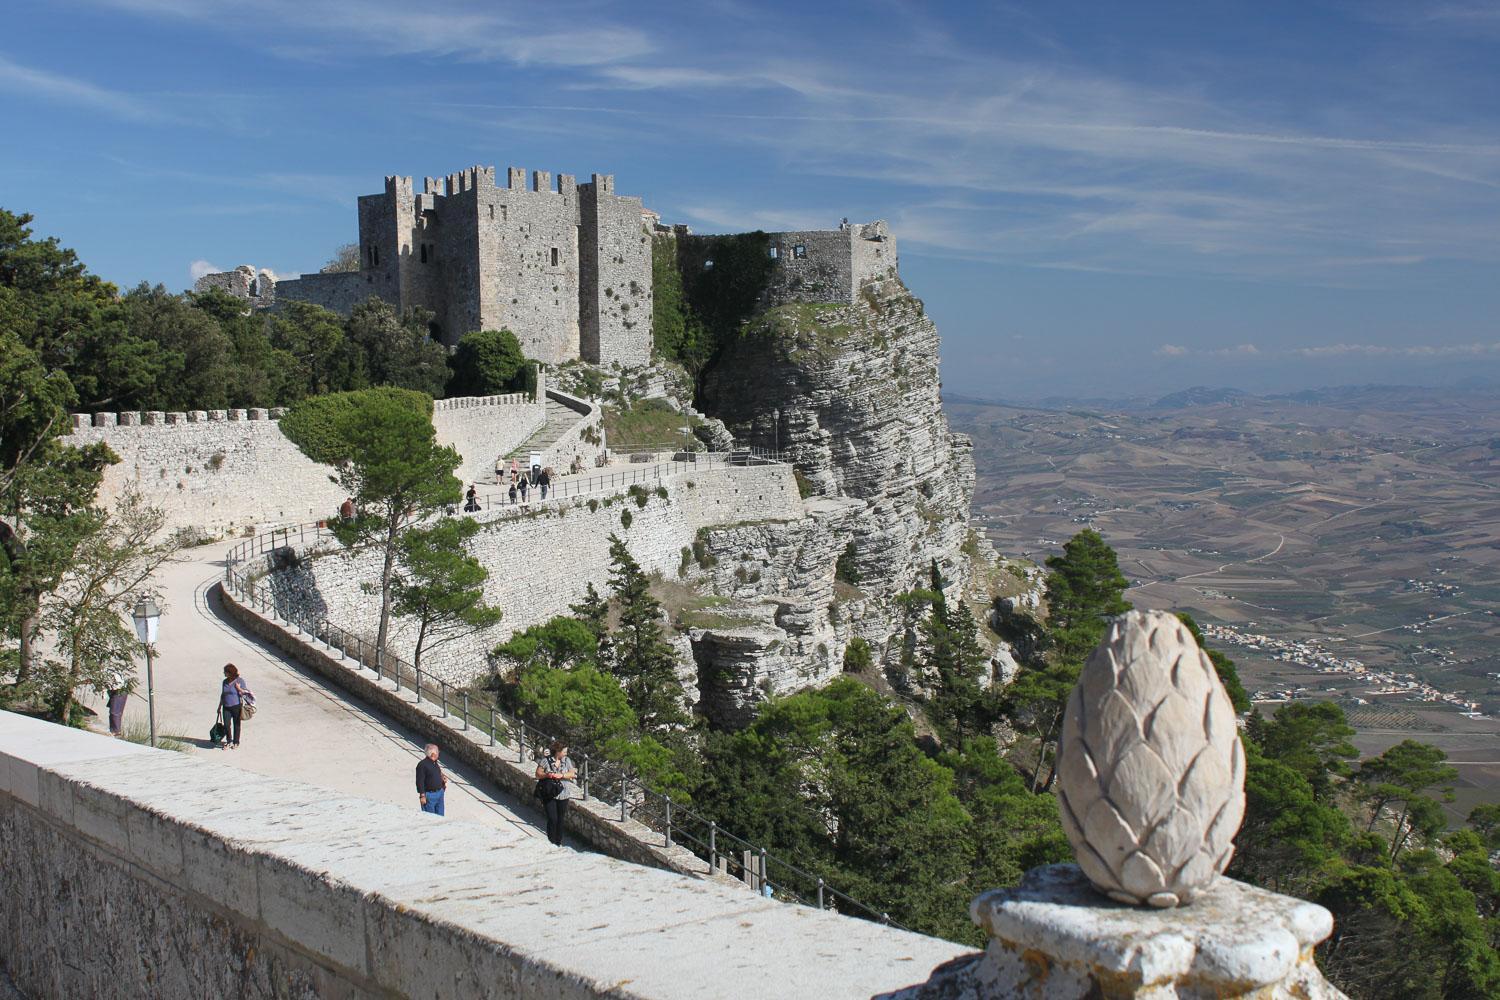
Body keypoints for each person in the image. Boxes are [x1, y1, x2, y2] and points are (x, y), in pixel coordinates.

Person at [535, 739, 577, 846]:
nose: (566, 753)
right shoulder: (546, 761)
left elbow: (572, 774)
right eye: (564, 751)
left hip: (564, 794)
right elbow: (538, 774)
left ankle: (558, 842)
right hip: (549, 794)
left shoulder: (567, 761)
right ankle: (551, 842)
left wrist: (561, 775)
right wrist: (547, 775)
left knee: (560, 819)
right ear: (558, 751)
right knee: (552, 818)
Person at [220, 663, 254, 749]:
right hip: (226, 707)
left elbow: (246, 693)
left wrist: (239, 688)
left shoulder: (240, 681)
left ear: (230, 673)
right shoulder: (224, 682)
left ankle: (236, 742)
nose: (224, 673)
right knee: (227, 724)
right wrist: (219, 706)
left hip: (236, 706)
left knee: (236, 724)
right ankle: (229, 741)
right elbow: (223, 694)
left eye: (225, 672)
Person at [416, 743, 447, 815]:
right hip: (429, 796)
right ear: (433, 754)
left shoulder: (434, 762)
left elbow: (436, 773)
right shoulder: (422, 765)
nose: (438, 754)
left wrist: (442, 779)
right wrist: (422, 796)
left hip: (439, 793)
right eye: (438, 753)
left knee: (440, 816)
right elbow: (420, 781)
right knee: (431, 817)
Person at [105, 671, 129, 738]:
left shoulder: (112, 675)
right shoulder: (112, 673)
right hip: (117, 693)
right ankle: (113, 730)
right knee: (113, 713)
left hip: (119, 692)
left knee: (115, 713)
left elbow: (116, 686)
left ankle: (116, 731)